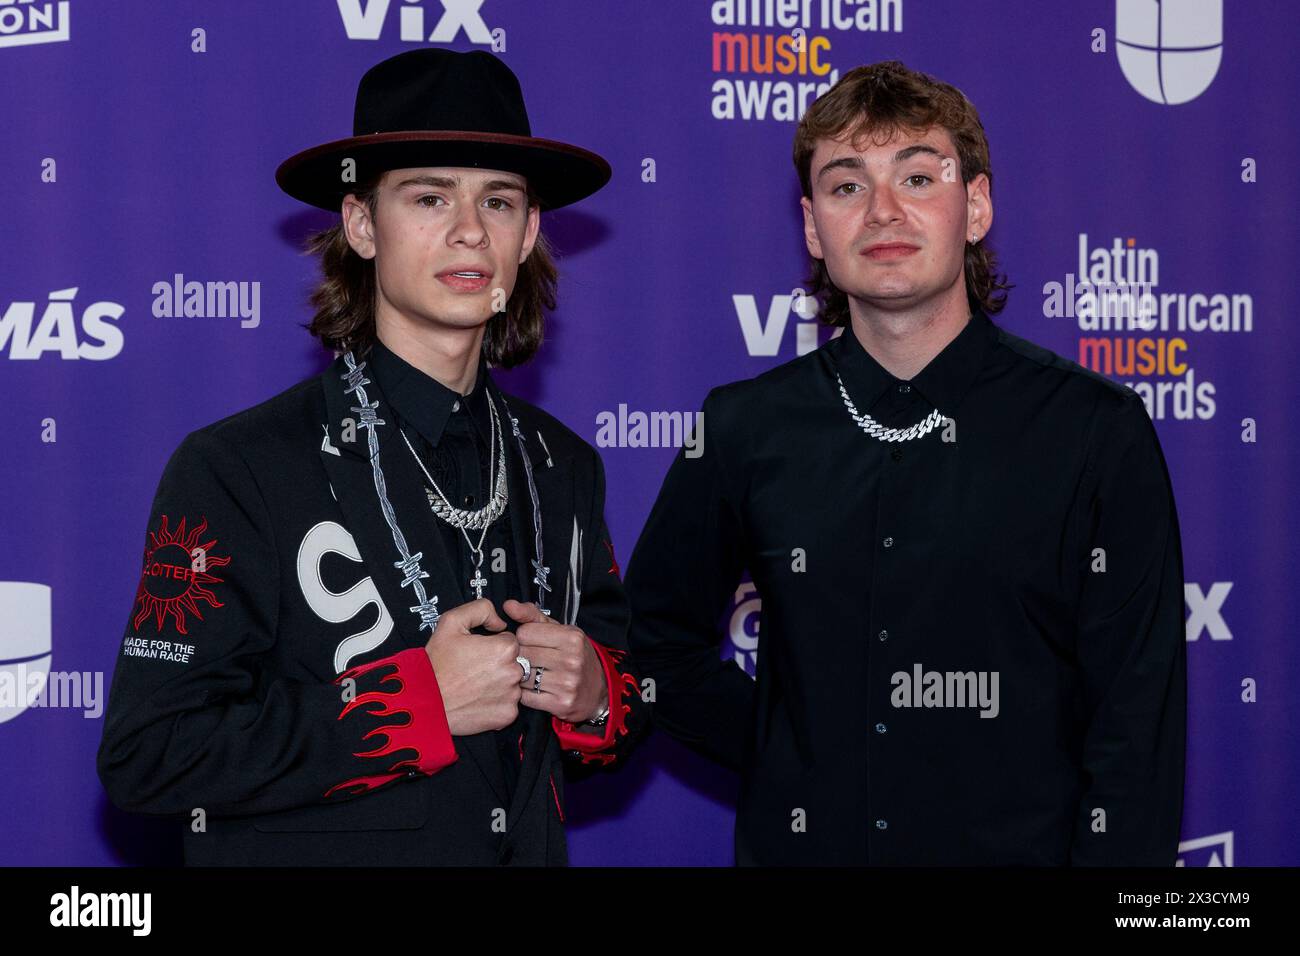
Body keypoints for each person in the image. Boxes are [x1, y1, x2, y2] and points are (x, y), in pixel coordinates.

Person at [624, 60, 1186, 866]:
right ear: (815, 228)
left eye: (918, 177)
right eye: (847, 186)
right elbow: (652, 643)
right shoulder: (744, 426)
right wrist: (795, 751)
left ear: (976, 207)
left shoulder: (1095, 431)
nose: (883, 210)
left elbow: (1138, 729)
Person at [97, 48, 647, 866]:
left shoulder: (560, 462)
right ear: (361, 225)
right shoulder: (237, 466)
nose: (469, 230)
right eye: (429, 197)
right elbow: (152, 755)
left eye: (497, 201)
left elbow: (615, 711)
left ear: (529, 233)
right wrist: (419, 702)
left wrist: (593, 694)